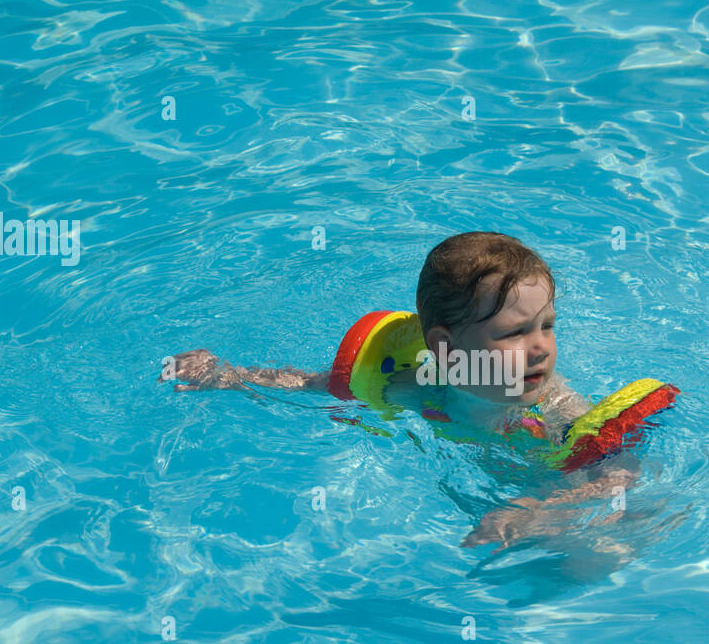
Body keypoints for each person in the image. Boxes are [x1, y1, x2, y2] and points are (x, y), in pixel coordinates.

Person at [161, 232, 637, 546]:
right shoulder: (415, 386)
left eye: (547, 326)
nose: (540, 349)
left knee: (591, 553)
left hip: (548, 496)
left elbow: (618, 473)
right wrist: (228, 376)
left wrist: (533, 508)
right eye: (514, 333)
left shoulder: (556, 404)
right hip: (490, 503)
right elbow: (310, 385)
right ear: (446, 348)